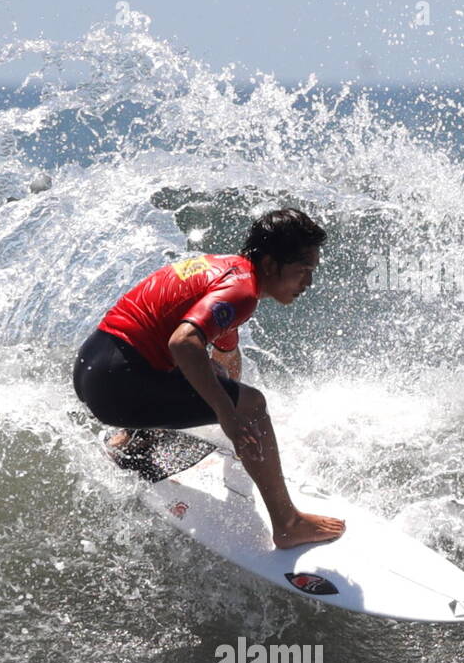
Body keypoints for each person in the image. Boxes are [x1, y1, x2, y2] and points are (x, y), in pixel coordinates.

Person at [72, 207, 345, 549]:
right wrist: (233, 416)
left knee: (211, 374)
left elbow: (224, 355)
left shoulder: (223, 268)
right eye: (303, 271)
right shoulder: (242, 292)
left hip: (92, 366)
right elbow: (183, 342)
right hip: (120, 387)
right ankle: (288, 524)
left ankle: (133, 440)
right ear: (273, 264)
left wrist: (230, 402)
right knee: (253, 403)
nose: (309, 283)